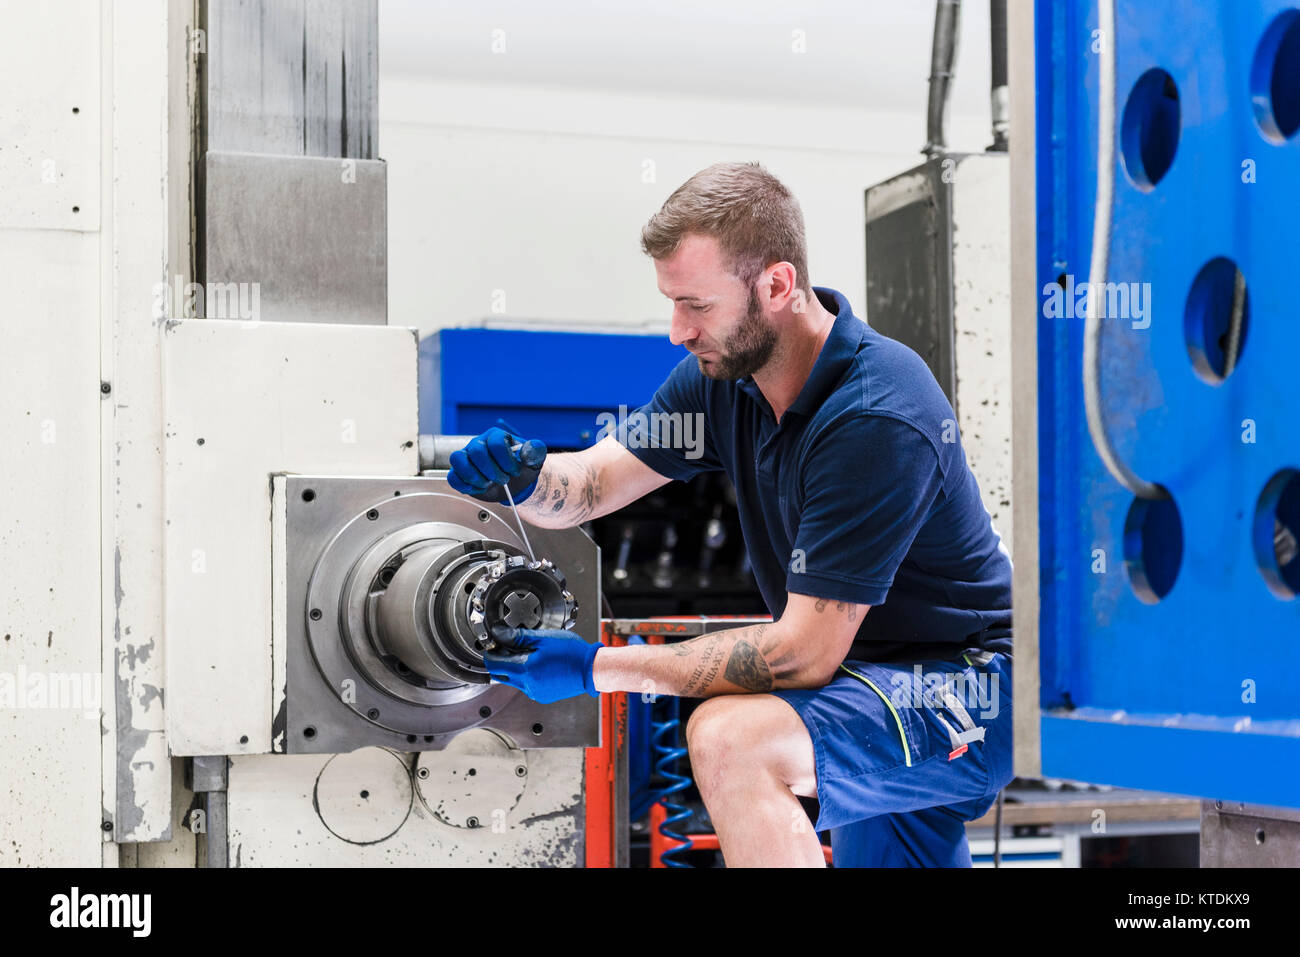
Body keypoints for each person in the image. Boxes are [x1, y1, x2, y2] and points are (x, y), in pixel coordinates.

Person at [447, 161, 1013, 867]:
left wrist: (600, 666)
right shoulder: (726, 381)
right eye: (673, 303)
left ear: (777, 285)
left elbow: (802, 653)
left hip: (963, 687)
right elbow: (593, 482)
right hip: (860, 682)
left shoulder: (874, 414)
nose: (678, 331)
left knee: (731, 740)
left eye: (697, 305)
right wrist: (525, 480)